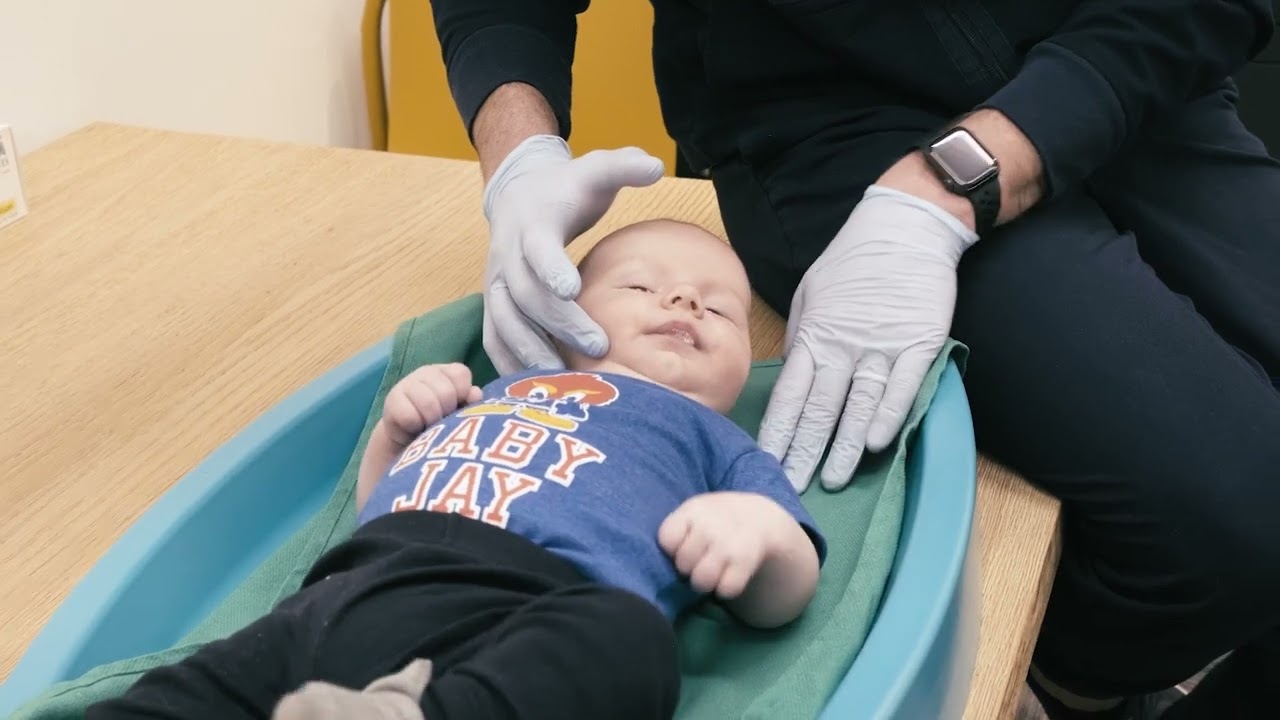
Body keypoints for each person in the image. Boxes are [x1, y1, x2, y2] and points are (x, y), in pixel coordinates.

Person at [426, 1, 1280, 718]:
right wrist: (519, 159)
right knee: (1233, 515)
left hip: (1129, 54)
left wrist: (949, 189)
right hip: (824, 125)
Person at [85, 219, 828, 720]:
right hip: (352, 588)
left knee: (629, 640)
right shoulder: (502, 387)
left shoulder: (717, 440)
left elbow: (788, 591)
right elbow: (376, 506)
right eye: (640, 286)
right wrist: (399, 429)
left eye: (721, 310)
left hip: (528, 608)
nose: (684, 300)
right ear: (563, 319)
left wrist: (759, 531)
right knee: (192, 689)